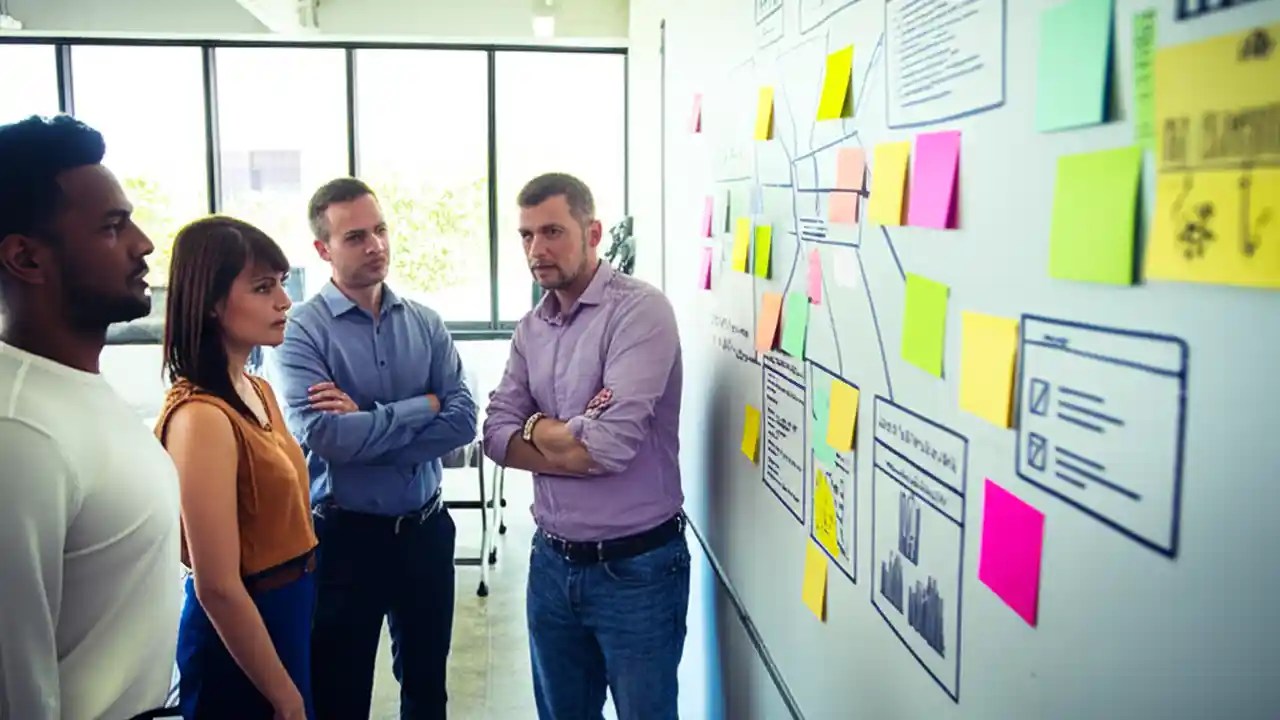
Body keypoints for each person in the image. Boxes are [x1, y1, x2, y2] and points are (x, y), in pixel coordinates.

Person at [267, 177, 478, 720]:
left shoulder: (426, 323)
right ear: (323, 249)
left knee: (428, 687)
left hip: (426, 532)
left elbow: (462, 421)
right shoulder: (300, 333)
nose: (376, 245)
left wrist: (368, 424)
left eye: (380, 230)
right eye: (356, 236)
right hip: (345, 541)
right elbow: (327, 438)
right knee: (341, 691)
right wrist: (420, 406)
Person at [482, 172, 688, 720]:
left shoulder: (640, 312)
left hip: (637, 571)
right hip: (550, 564)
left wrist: (535, 427)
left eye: (552, 231)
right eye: (526, 235)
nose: (536, 249)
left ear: (593, 232)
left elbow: (607, 449)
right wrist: (549, 430)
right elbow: (495, 433)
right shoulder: (532, 327)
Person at [0, 115, 182, 719]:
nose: (144, 243)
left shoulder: (74, 386)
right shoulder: (19, 431)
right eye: (112, 226)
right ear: (27, 257)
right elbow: (15, 683)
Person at [153, 216, 317, 719]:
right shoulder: (200, 417)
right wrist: (283, 695)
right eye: (263, 288)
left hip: (289, 606)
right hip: (242, 629)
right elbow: (217, 585)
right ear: (212, 303)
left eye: (282, 285)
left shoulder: (257, 388)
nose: (284, 302)